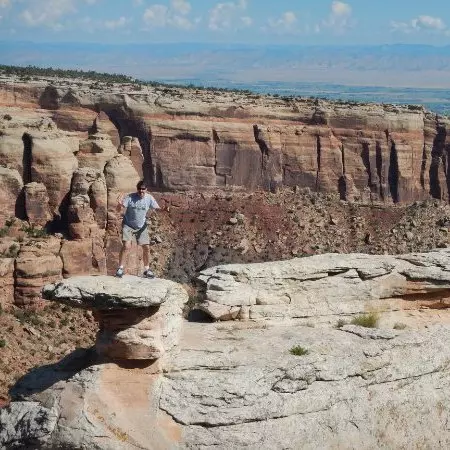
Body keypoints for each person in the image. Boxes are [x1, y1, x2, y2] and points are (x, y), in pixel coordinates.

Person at [115, 180, 160, 278]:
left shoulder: (149, 198)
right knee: (126, 246)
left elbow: (157, 209)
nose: (141, 191)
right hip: (128, 225)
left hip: (141, 226)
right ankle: (120, 268)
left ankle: (147, 270)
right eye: (139, 189)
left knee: (146, 247)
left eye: (143, 189)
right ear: (137, 189)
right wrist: (119, 204)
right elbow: (119, 210)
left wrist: (165, 209)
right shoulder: (130, 197)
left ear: (146, 189)